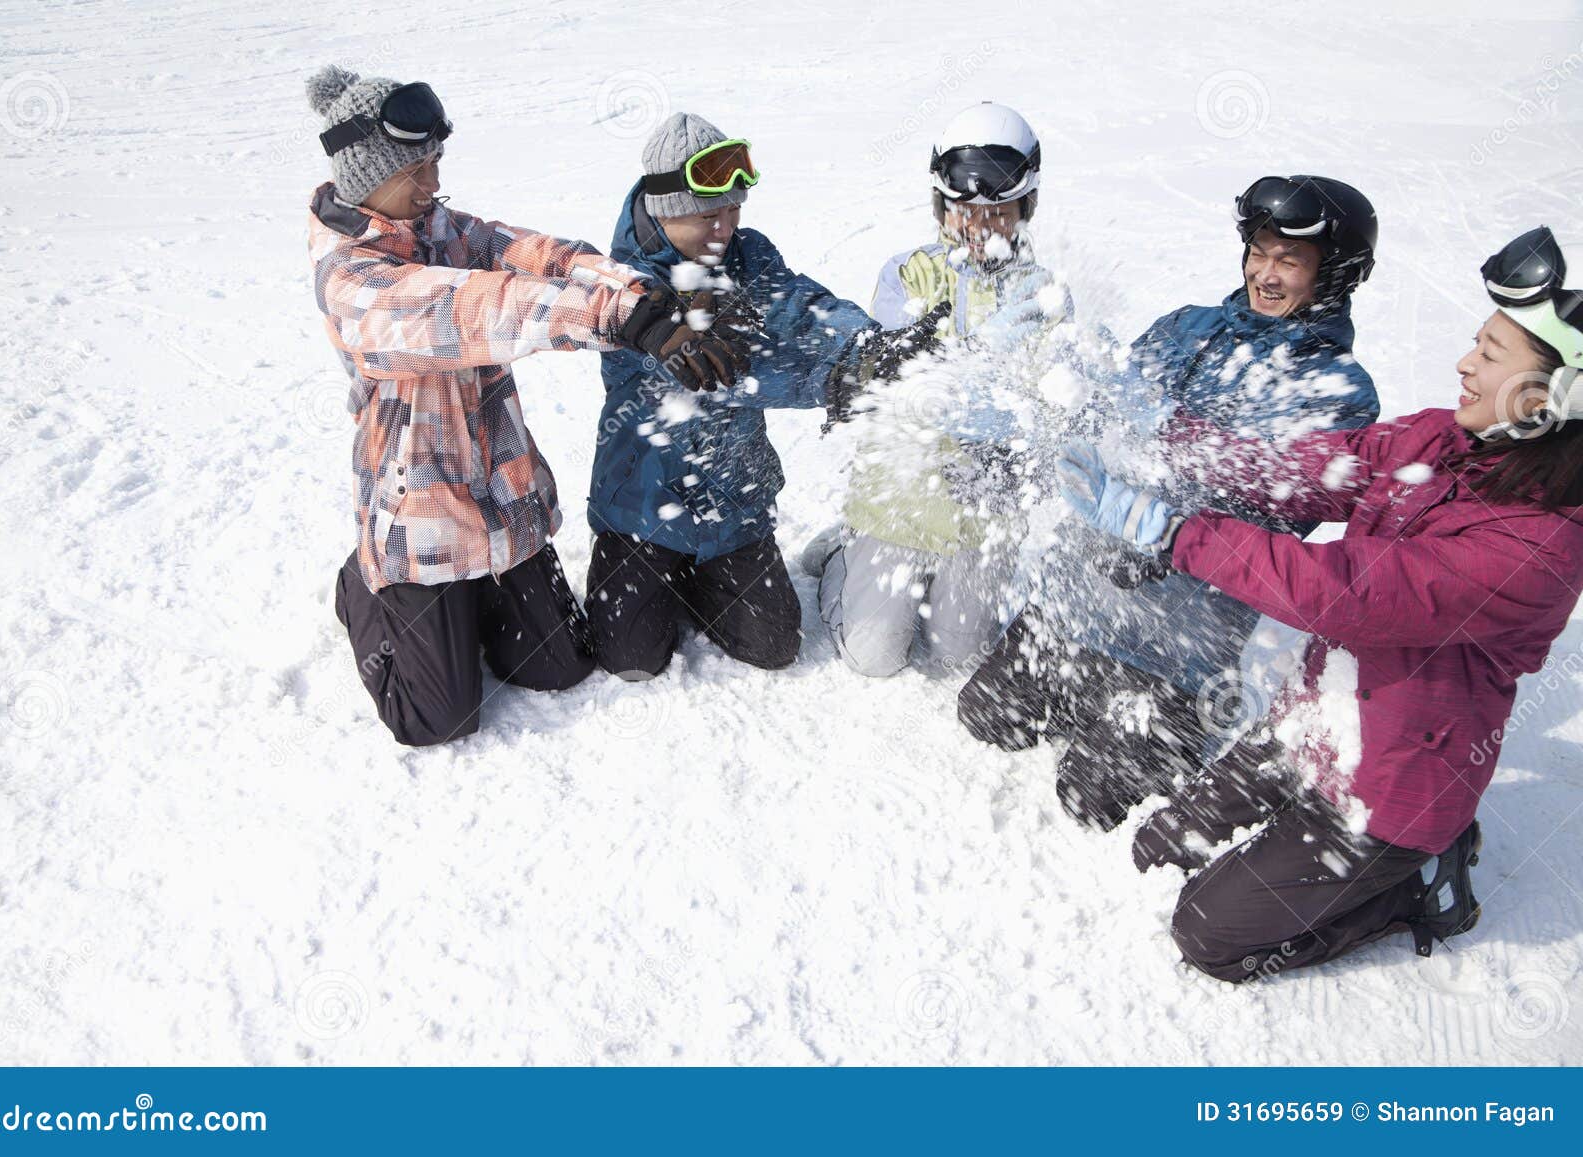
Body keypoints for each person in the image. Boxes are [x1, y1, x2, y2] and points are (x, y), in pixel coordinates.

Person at [1055, 225, 1583, 980]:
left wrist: (1169, 530)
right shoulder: (1442, 440)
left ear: (1548, 398)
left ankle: (1414, 884)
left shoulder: (1535, 547)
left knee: (1208, 931)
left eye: (1490, 356)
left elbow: (1344, 593)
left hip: (1393, 786)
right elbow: (1314, 469)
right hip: (1312, 726)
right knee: (1157, 850)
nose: (1464, 363)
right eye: (1476, 342)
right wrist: (1169, 439)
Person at [306, 67, 744, 745]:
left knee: (560, 666)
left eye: (436, 164)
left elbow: (538, 256)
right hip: (421, 525)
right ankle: (362, 587)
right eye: (417, 169)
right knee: (439, 718)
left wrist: (641, 296)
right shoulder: (352, 281)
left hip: (501, 502)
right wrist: (617, 320)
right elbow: (479, 307)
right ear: (365, 174)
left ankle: (473, 599)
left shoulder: (437, 225)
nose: (433, 184)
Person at [956, 174, 1382, 829]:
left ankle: (1159, 715)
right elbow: (1105, 415)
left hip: (1182, 651)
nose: (1265, 275)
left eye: (1289, 261)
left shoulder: (1340, 390)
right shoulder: (1190, 327)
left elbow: (1286, 497)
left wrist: (1167, 526)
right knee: (986, 715)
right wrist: (1060, 365)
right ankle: (1085, 685)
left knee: (1088, 797)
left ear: (1334, 275)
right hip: (1087, 605)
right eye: (1259, 253)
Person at [587, 112, 941, 680]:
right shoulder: (625, 290)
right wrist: (834, 379)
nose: (726, 226)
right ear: (668, 209)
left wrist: (866, 346)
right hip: (641, 507)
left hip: (731, 503)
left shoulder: (748, 254)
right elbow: (715, 378)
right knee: (631, 661)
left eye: (734, 209)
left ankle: (710, 577)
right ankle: (655, 578)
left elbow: (805, 308)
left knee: (774, 645)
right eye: (710, 213)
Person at [811, 103, 1071, 679]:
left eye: (997, 210)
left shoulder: (1046, 295)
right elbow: (901, 387)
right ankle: (842, 552)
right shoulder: (907, 273)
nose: (978, 226)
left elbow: (1049, 411)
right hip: (899, 503)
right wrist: (975, 369)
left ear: (1025, 207)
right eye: (962, 210)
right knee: (874, 657)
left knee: (961, 657)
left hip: (984, 514)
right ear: (941, 206)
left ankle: (946, 584)